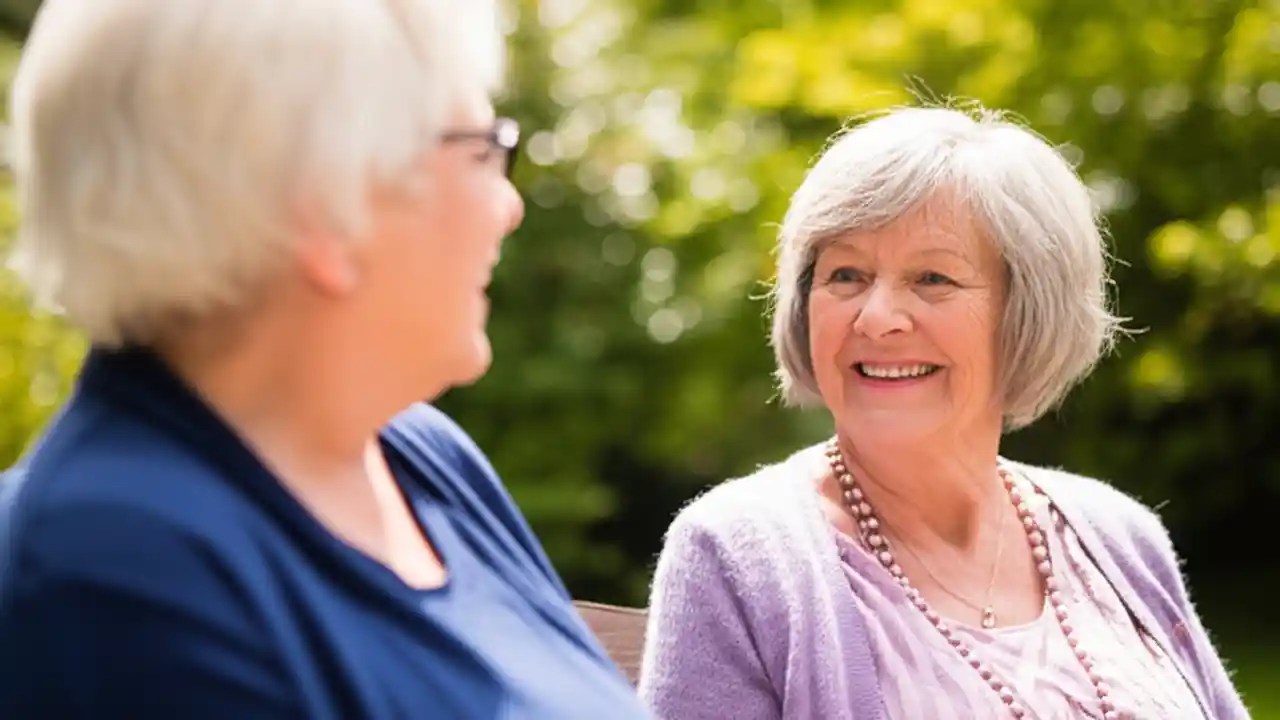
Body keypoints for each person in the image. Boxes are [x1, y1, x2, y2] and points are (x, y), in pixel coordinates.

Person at [0, 1, 650, 718]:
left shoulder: (421, 454)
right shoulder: (119, 572)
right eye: (481, 151)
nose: (508, 205)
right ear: (324, 206)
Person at [638, 106, 1249, 719]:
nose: (876, 317)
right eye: (846, 275)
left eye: (932, 278)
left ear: (1027, 310)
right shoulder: (736, 554)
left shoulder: (1119, 535)